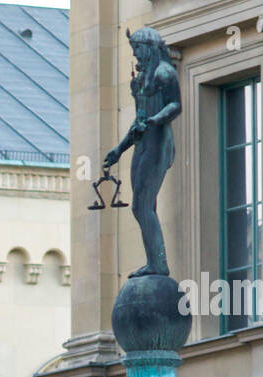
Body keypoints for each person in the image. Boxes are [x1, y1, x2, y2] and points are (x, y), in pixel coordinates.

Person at [103, 28, 181, 278]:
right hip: (143, 142)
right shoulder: (141, 79)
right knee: (142, 205)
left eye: (138, 48)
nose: (135, 54)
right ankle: (154, 262)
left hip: (158, 142)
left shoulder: (164, 73)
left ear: (149, 47)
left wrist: (156, 120)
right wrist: (119, 149)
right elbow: (139, 121)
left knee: (141, 205)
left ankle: (158, 263)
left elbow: (175, 105)